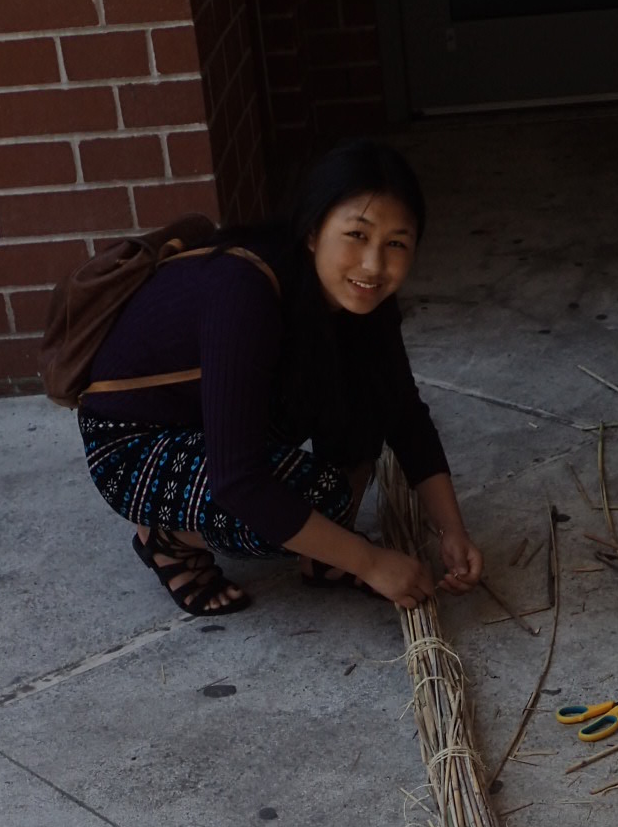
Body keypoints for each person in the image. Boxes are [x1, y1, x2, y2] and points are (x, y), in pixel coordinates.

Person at [78, 140, 483, 617]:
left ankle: (322, 556)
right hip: (131, 443)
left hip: (210, 418)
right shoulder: (244, 290)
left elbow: (404, 412)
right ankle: (167, 538)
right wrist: (370, 561)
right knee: (295, 500)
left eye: (396, 243)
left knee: (365, 396)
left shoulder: (362, 296)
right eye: (356, 235)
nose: (374, 265)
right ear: (312, 231)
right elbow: (239, 480)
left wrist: (452, 531)